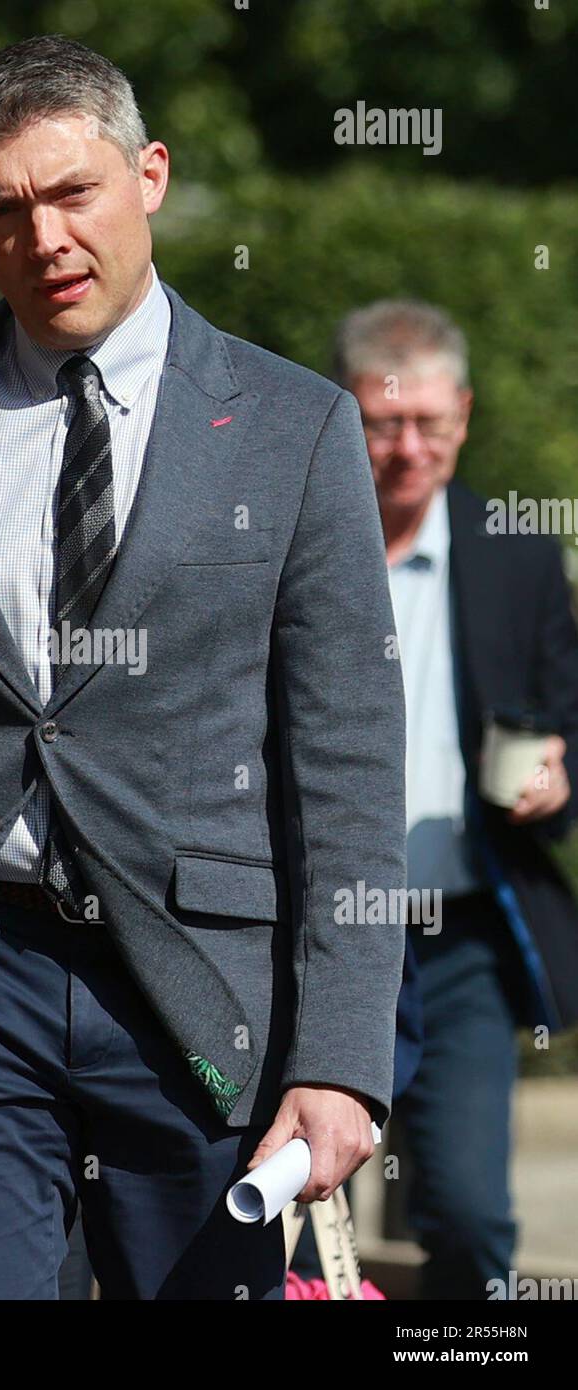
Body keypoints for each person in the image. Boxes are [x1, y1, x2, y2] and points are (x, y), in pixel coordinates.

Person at [0, 34, 407, 1301]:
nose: (41, 237)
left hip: (194, 988)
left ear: (146, 174)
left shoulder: (291, 425)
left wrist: (340, 1057)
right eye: (2, 207)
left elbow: (348, 764)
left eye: (71, 193)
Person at [334, 299, 578, 1300]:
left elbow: (568, 711)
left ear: (463, 415)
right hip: (303, 935)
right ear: (342, 416)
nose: (405, 448)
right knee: (272, 1210)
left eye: (427, 422)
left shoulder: (513, 552)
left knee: (471, 1215)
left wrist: (558, 779)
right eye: (382, 422)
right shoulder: (286, 539)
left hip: (461, 939)